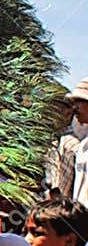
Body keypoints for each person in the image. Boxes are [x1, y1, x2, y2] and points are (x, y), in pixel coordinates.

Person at [45, 79, 88, 208]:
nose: (74, 108)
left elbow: (64, 187)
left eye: (78, 101)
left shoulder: (71, 144)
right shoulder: (83, 145)